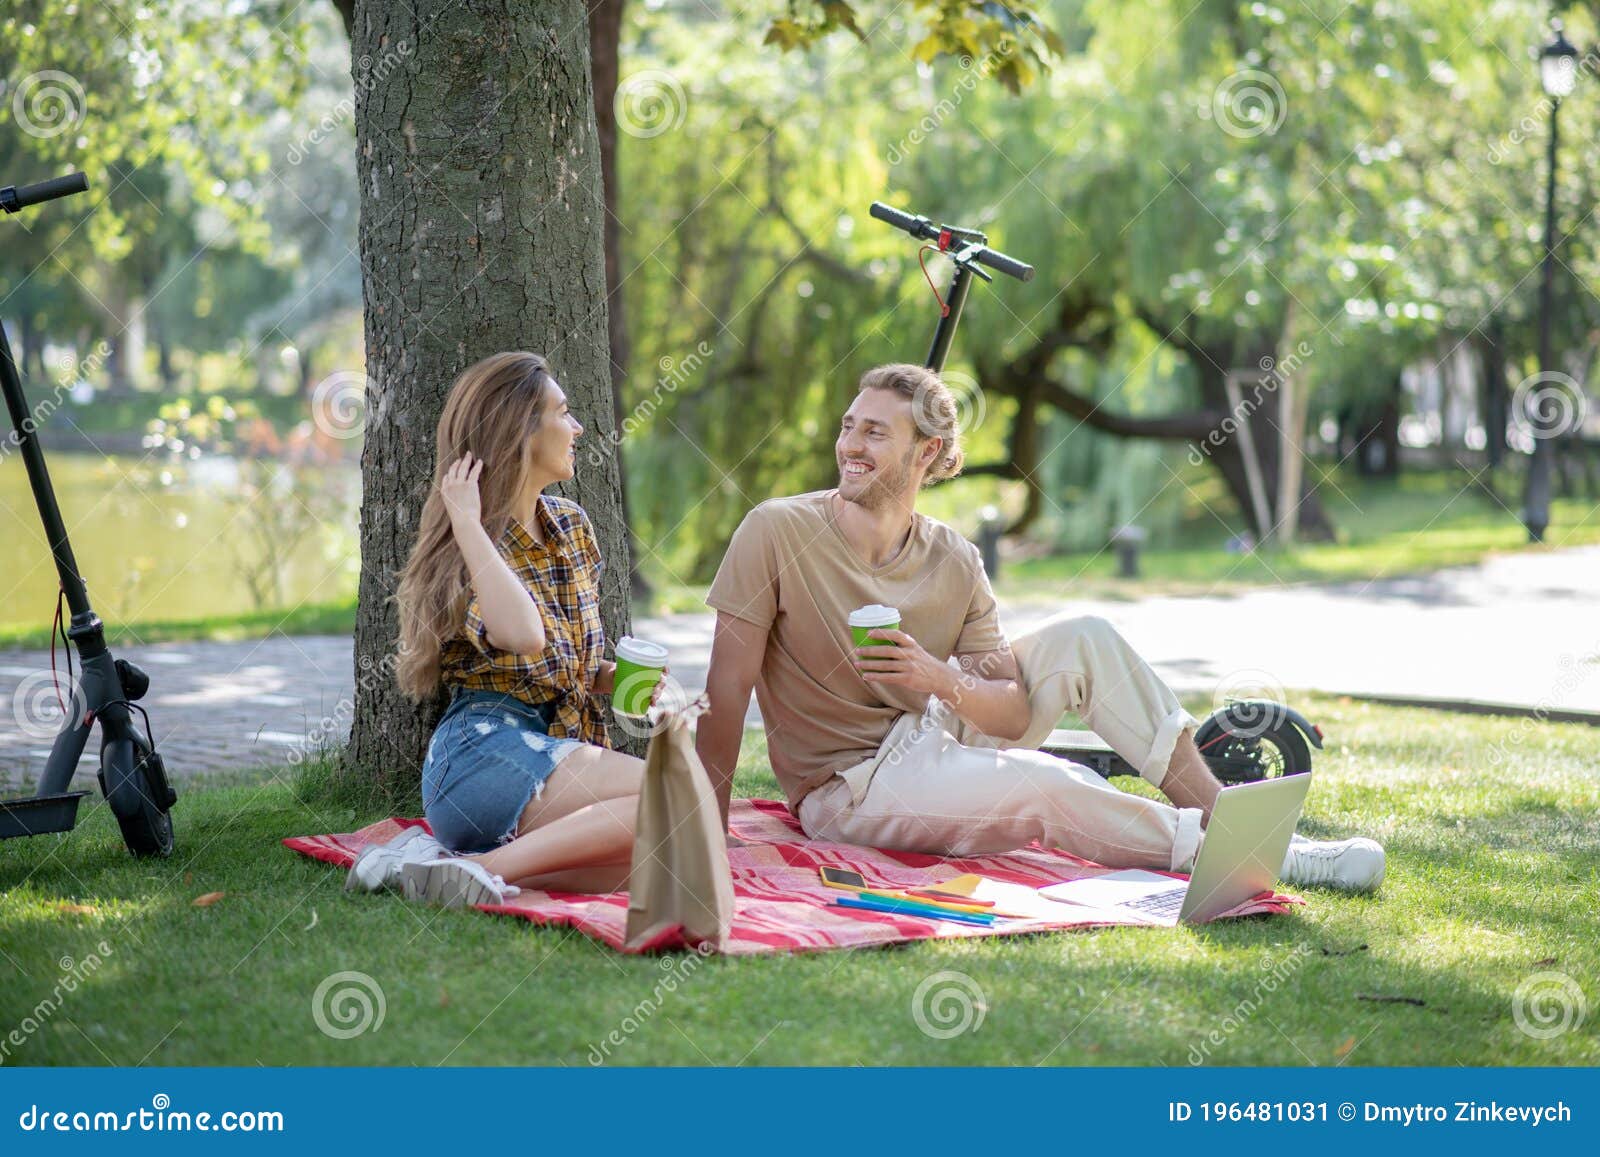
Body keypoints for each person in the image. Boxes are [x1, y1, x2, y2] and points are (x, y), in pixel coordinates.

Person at [696, 363, 1385, 892]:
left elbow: (1012, 710)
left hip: (936, 720)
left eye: (875, 432)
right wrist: (702, 831)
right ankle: (1244, 856)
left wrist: (938, 679)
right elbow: (726, 691)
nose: (850, 444)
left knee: (1085, 634)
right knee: (1044, 784)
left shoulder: (954, 557)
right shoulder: (777, 531)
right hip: (854, 785)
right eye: (849, 426)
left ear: (928, 454)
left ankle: (1232, 823)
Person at [345, 351, 654, 907]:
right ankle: (481, 868)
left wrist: (615, 679)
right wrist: (466, 519)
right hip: (482, 756)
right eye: (563, 412)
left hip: (553, 752)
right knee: (676, 793)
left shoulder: (571, 527)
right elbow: (524, 637)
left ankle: (441, 871)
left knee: (667, 863)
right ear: (520, 431)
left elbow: (565, 661)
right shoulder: (471, 542)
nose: (578, 427)